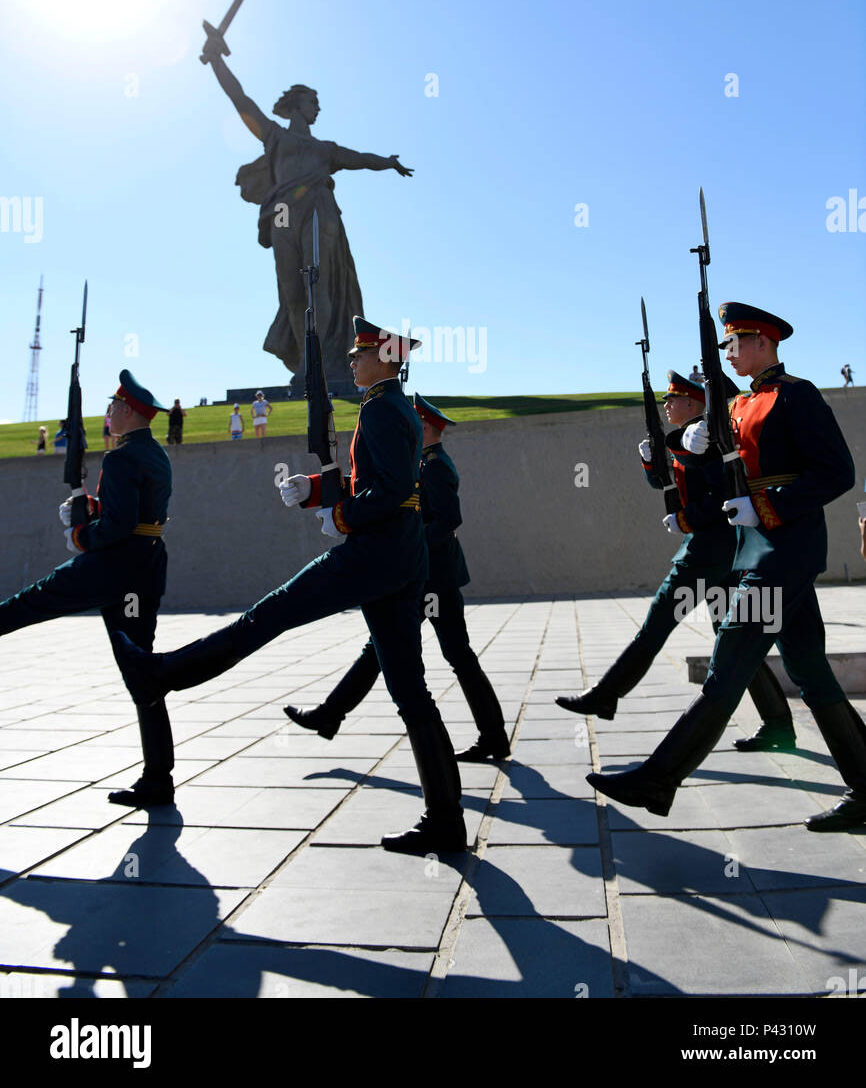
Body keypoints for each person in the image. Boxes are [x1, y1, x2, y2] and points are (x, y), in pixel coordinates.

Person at [115, 318, 466, 854]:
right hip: (399, 555)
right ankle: (446, 819)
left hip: (376, 553)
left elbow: (390, 489)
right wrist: (314, 490)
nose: (352, 361)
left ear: (386, 359)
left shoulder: (380, 407)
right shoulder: (394, 405)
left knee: (273, 612)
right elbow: (375, 481)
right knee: (410, 689)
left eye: (360, 353)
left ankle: (163, 673)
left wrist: (342, 516)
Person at [587, 304, 864, 832]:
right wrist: (672, 448)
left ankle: (659, 777)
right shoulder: (741, 403)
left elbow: (838, 473)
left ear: (763, 341)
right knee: (810, 671)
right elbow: (709, 452)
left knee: (729, 661)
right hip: (758, 549)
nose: (728, 354)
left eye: (735, 344)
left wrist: (769, 504)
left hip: (784, 552)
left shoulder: (795, 395)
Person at [557, 371, 794, 750]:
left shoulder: (707, 439)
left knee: (657, 622)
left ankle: (607, 693)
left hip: (709, 550)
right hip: (717, 552)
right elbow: (669, 485)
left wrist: (686, 519)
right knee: (732, 643)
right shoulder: (688, 439)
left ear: (694, 403)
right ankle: (778, 723)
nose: (667, 406)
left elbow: (721, 494)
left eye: (674, 399)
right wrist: (651, 463)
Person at [284, 393, 509, 762]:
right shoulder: (419, 462)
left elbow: (448, 520)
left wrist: (408, 543)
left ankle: (494, 736)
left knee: (454, 655)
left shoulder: (436, 467)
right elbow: (368, 485)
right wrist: (314, 488)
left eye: (415, 425)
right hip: (421, 574)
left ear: (427, 428)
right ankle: (330, 714)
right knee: (382, 647)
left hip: (436, 577)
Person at [0, 371, 175, 808]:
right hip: (146, 564)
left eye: (114, 406)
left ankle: (157, 777)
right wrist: (90, 509)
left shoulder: (120, 458)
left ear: (130, 411)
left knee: (30, 602)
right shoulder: (154, 454)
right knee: (142, 671)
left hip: (112, 566)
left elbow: (116, 525)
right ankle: (158, 777)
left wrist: (82, 534)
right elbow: (133, 512)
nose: (108, 412)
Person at [201, 40, 413, 396]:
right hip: (282, 212)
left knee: (318, 284)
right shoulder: (276, 137)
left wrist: (388, 162)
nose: (318, 108)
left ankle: (322, 362)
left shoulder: (323, 150)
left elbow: (360, 157)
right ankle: (306, 362)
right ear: (297, 104)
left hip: (319, 208)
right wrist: (216, 62)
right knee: (292, 290)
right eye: (313, 101)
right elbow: (240, 100)